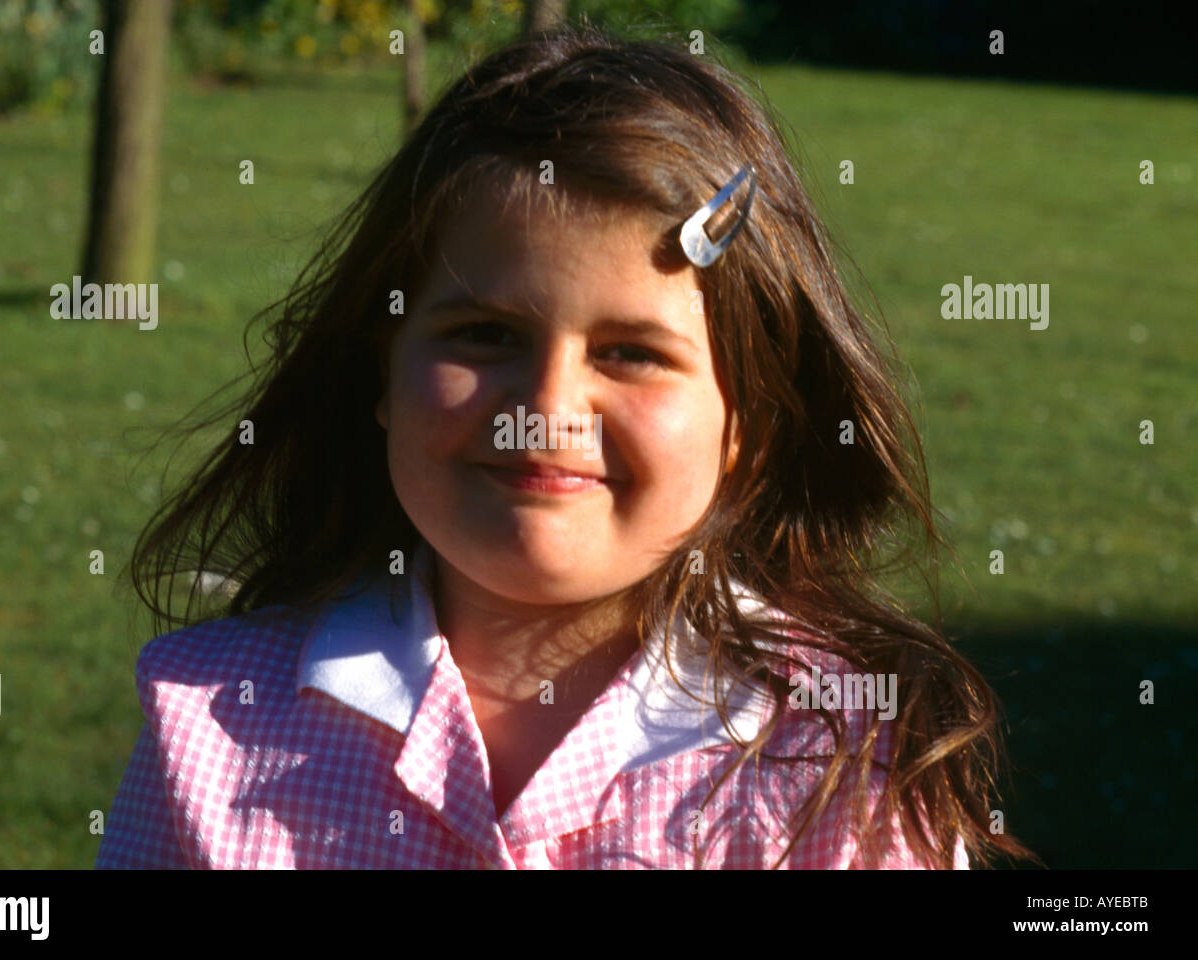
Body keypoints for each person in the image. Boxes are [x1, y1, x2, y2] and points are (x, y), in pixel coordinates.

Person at [96, 23, 1036, 869]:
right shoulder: (214, 722)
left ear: (747, 424)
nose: (544, 410)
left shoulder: (838, 769)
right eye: (486, 335)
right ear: (381, 369)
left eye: (632, 353)